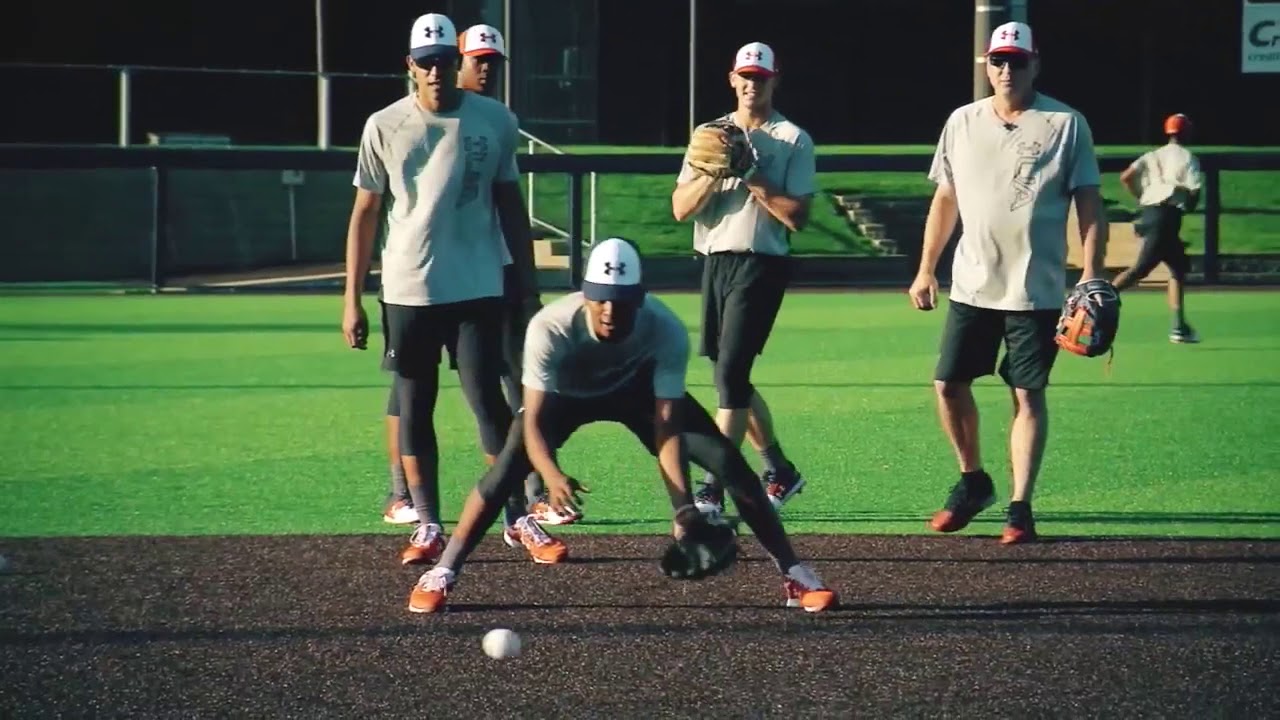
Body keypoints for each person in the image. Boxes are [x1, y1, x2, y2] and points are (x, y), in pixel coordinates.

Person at [406, 237, 838, 615]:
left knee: (729, 461)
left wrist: (683, 508)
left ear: (639, 297)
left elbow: (667, 429)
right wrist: (551, 475)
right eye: (600, 298)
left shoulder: (664, 328)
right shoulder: (550, 327)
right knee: (503, 473)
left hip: (637, 395)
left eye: (621, 300)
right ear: (586, 295)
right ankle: (444, 572)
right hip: (564, 401)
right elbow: (534, 419)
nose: (610, 310)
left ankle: (796, 574)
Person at [342, 12, 541, 566]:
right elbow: (365, 212)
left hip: (477, 285)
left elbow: (510, 205)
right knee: (415, 406)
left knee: (489, 405)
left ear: (457, 63)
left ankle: (517, 518)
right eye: (424, 62)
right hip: (407, 289)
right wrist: (351, 299)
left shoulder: (495, 120)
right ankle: (428, 523)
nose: (435, 71)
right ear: (410, 66)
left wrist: (526, 286)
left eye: (444, 61)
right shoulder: (383, 125)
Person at [906, 21, 1105, 545]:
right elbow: (945, 199)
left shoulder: (1065, 123)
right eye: (998, 60)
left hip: (1035, 290)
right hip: (972, 283)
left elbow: (1089, 202)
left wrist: (1090, 273)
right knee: (948, 384)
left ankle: (1020, 507)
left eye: (1017, 61)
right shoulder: (962, 121)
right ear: (986, 66)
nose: (1007, 69)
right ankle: (973, 481)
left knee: (1026, 394)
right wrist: (927, 267)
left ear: (1035, 63)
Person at [670, 41, 815, 516]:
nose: (752, 84)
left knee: (730, 375)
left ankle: (713, 485)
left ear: (775, 80)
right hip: (715, 261)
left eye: (761, 76)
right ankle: (780, 469)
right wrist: (713, 173)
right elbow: (679, 208)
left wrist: (750, 170)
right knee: (731, 377)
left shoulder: (792, 138)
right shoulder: (709, 135)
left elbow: (797, 217)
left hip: (760, 263)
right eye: (745, 76)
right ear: (733, 79)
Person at [1113, 113, 1202, 344]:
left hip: (1150, 212)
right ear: (1186, 132)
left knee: (1178, 268)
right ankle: (1091, 304)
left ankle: (1179, 326)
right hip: (1167, 216)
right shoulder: (1188, 157)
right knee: (1140, 270)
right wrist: (1190, 205)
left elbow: (1126, 176)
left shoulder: (1153, 154)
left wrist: (1140, 196)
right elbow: (1194, 191)